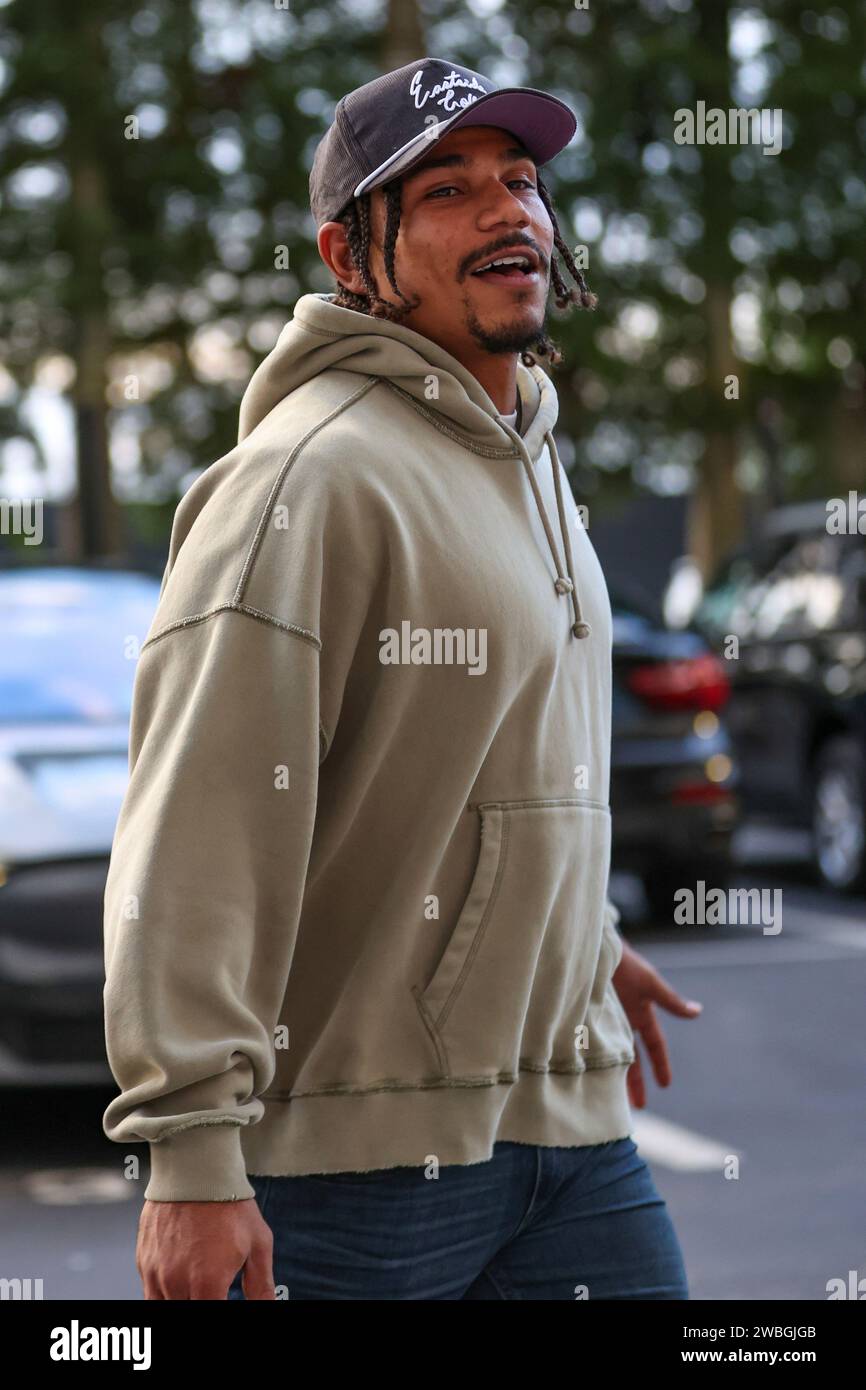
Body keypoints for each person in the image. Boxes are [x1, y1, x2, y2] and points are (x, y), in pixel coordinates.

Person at [103, 56, 701, 1301]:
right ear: (347, 253)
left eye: (520, 180)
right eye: (443, 190)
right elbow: (202, 825)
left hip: (565, 1129)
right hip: (356, 1161)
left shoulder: (530, 456)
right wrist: (192, 1152)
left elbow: (502, 757)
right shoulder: (305, 480)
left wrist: (577, 941)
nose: (506, 212)